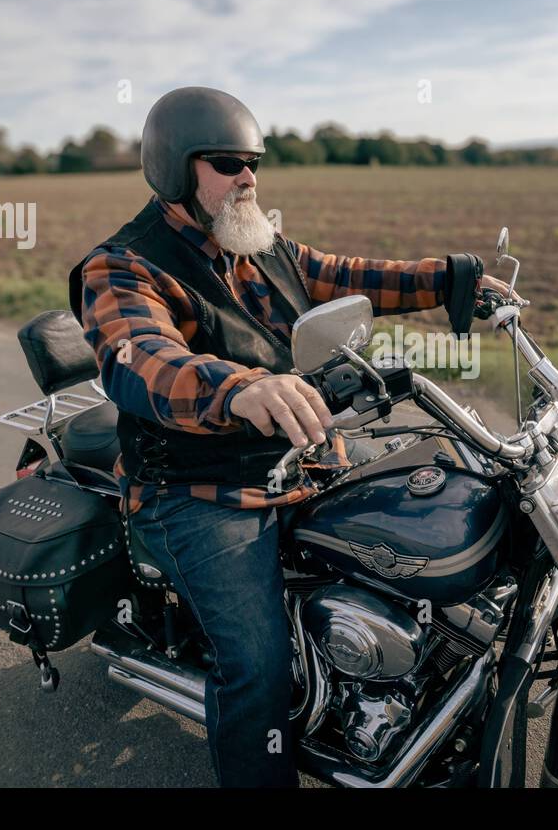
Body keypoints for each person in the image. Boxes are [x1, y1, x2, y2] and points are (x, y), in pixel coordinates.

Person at [67, 86, 510, 786]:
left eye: (253, 162)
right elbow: (140, 358)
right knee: (256, 669)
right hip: (201, 491)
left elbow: (349, 275)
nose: (247, 176)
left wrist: (454, 280)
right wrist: (240, 387)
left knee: (439, 496)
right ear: (176, 170)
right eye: (226, 162)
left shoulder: (259, 246)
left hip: (304, 456)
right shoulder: (124, 265)